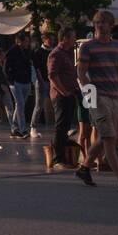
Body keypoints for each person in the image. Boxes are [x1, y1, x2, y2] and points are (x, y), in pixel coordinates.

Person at [74, 10, 118, 192]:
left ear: (111, 25)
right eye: (97, 22)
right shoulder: (88, 47)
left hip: (116, 96)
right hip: (98, 96)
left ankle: (84, 168)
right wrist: (91, 95)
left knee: (109, 135)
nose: (99, 25)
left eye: (103, 22)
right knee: (109, 137)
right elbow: (81, 73)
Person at [47, 26, 81, 169]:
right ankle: (57, 158)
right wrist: (63, 91)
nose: (74, 40)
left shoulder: (66, 53)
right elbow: (52, 75)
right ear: (65, 38)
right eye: (73, 37)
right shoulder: (56, 54)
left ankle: (63, 156)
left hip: (69, 94)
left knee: (65, 126)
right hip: (61, 96)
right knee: (60, 126)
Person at [5, 32, 33, 138]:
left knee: (20, 105)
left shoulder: (27, 51)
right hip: (16, 82)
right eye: (25, 41)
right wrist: (10, 80)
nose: (27, 43)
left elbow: (29, 65)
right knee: (20, 105)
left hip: (25, 81)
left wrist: (30, 79)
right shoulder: (12, 52)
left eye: (28, 41)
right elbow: (6, 68)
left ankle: (14, 128)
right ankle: (23, 130)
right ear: (19, 42)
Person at [30, 32, 52, 133]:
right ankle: (33, 127)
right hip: (42, 81)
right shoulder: (38, 52)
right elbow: (37, 68)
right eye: (49, 39)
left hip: (51, 81)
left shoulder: (53, 51)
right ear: (44, 40)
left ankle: (62, 126)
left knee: (57, 103)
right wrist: (40, 80)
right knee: (39, 105)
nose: (51, 41)